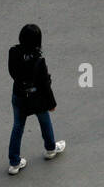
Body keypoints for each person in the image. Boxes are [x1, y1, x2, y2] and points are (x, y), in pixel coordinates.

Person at [7, 24, 65, 175]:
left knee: (18, 126)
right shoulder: (39, 59)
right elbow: (45, 84)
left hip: (19, 94)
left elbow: (12, 72)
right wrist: (51, 103)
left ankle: (14, 162)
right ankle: (50, 148)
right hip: (36, 97)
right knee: (44, 120)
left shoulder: (13, 51)